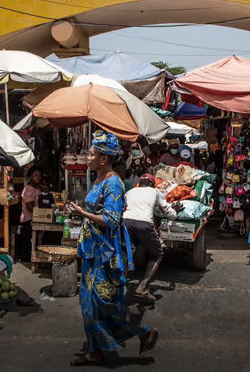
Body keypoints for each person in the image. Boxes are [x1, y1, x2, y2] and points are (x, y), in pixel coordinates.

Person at [67, 130, 158, 366]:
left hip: (105, 256)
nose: (88, 157)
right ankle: (95, 350)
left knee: (104, 305)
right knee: (88, 303)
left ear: (104, 158)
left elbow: (111, 219)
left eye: (92, 153)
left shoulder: (114, 184)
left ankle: (142, 332)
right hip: (91, 251)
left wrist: (82, 213)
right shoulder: (97, 179)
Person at [123, 173, 179, 301]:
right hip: (144, 224)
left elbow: (125, 207)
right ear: (151, 184)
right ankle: (142, 286)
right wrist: (175, 213)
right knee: (157, 254)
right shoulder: (156, 192)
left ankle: (119, 280)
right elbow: (168, 211)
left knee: (126, 250)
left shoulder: (130, 192)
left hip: (126, 222)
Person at [17, 166, 47, 262]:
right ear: (31, 177)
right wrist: (41, 213)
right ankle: (26, 259)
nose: (38, 177)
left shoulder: (37, 187)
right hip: (28, 219)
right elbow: (29, 207)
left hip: (35, 218)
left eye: (39, 175)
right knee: (27, 241)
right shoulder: (28, 189)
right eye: (36, 175)